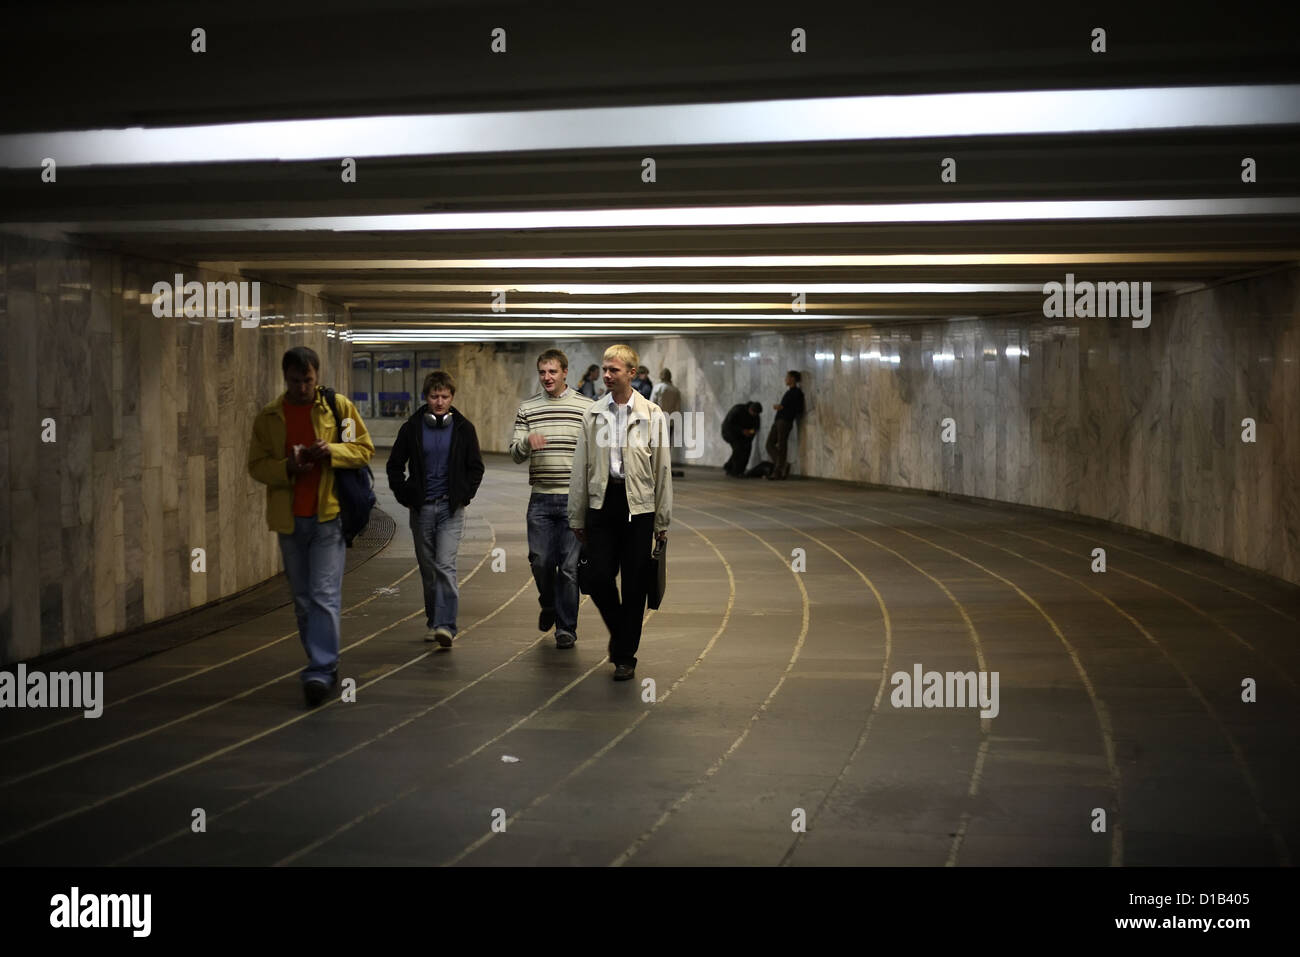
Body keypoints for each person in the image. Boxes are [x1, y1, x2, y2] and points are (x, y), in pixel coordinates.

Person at [248, 346, 375, 707]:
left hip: (327, 516)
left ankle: (321, 667)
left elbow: (363, 449)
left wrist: (332, 450)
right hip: (289, 520)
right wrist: (287, 467)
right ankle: (321, 657)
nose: (302, 387)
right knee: (302, 601)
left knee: (323, 595)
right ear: (284, 378)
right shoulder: (269, 418)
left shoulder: (339, 409)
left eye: (308, 380)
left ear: (316, 377)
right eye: (295, 381)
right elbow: (256, 466)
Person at [569, 345, 672, 681]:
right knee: (598, 578)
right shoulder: (593, 413)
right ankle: (621, 633)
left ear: (631, 373)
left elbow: (662, 469)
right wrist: (577, 515)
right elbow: (580, 468)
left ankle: (625, 656)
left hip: (638, 507)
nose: (608, 376)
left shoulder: (652, 414)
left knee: (635, 584)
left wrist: (662, 520)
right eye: (605, 369)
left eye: (614, 370)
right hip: (603, 503)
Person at [386, 370, 485, 648]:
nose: (439, 402)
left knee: (445, 566)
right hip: (422, 509)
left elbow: (475, 467)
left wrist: (464, 495)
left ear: (452, 397)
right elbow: (394, 465)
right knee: (429, 569)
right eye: (434, 396)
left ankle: (446, 626)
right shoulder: (412, 428)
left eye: (444, 396)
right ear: (426, 398)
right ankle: (434, 620)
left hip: (450, 509)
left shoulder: (464, 429)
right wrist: (405, 494)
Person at [510, 348, 591, 648]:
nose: (547, 377)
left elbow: (596, 453)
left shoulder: (586, 407)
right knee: (541, 561)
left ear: (565, 372)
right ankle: (548, 603)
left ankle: (566, 628)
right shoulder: (528, 408)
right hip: (541, 499)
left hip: (574, 500)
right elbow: (515, 453)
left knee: (569, 568)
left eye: (552, 372)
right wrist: (526, 444)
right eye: (542, 372)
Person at [765, 371, 805, 480]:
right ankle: (783, 465)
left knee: (782, 446)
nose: (785, 379)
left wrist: (783, 408)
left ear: (792, 379)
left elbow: (799, 409)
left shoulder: (797, 393)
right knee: (769, 444)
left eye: (787, 377)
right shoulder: (788, 392)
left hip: (786, 421)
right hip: (778, 420)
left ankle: (778, 471)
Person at [649, 368, 683, 471]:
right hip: (670, 420)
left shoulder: (657, 388)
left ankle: (655, 466)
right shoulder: (675, 390)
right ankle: (665, 465)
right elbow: (678, 407)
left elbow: (652, 403)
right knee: (667, 444)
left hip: (658, 419)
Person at [721, 400, 762, 477]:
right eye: (753, 413)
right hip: (730, 432)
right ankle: (734, 471)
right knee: (738, 448)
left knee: (747, 449)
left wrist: (750, 434)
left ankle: (738, 470)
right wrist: (741, 430)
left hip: (744, 435)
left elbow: (755, 428)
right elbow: (728, 424)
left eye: (756, 414)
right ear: (750, 409)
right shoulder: (738, 409)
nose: (754, 415)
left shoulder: (756, 417)